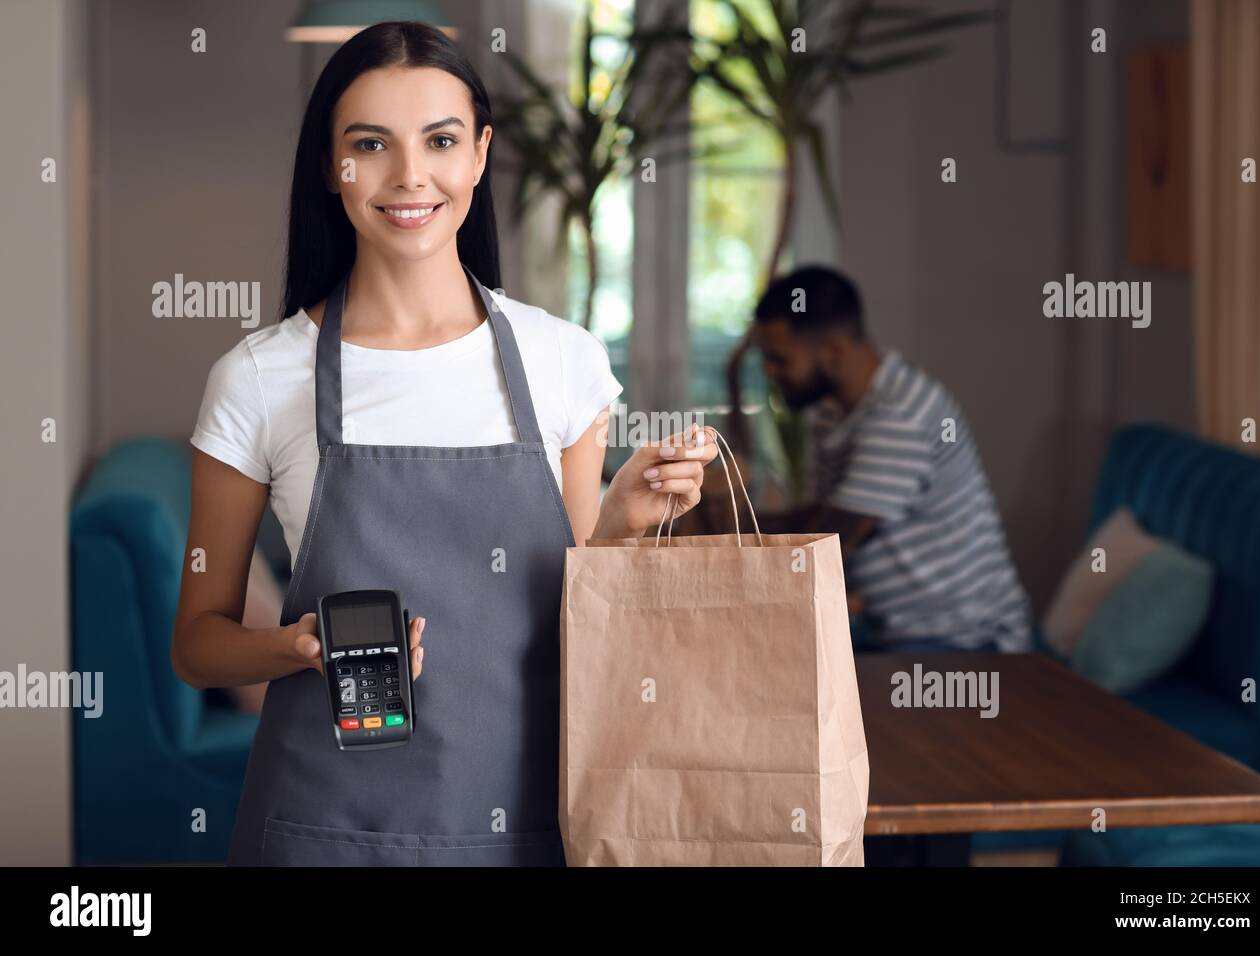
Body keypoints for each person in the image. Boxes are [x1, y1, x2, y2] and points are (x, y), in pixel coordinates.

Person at [171, 21, 715, 866]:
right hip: (329, 829)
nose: (410, 175)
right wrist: (295, 646)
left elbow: (578, 616)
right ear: (331, 165)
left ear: (480, 154)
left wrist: (622, 523)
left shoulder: (561, 360)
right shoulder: (258, 377)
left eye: (441, 140)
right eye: (371, 144)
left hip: (528, 820)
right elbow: (198, 644)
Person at [746, 265, 1031, 654]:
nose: (768, 371)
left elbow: (830, 539)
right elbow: (828, 513)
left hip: (966, 641)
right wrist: (740, 524)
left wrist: (728, 550)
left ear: (832, 351)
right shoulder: (835, 409)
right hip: (889, 630)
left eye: (779, 359)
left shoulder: (900, 414)